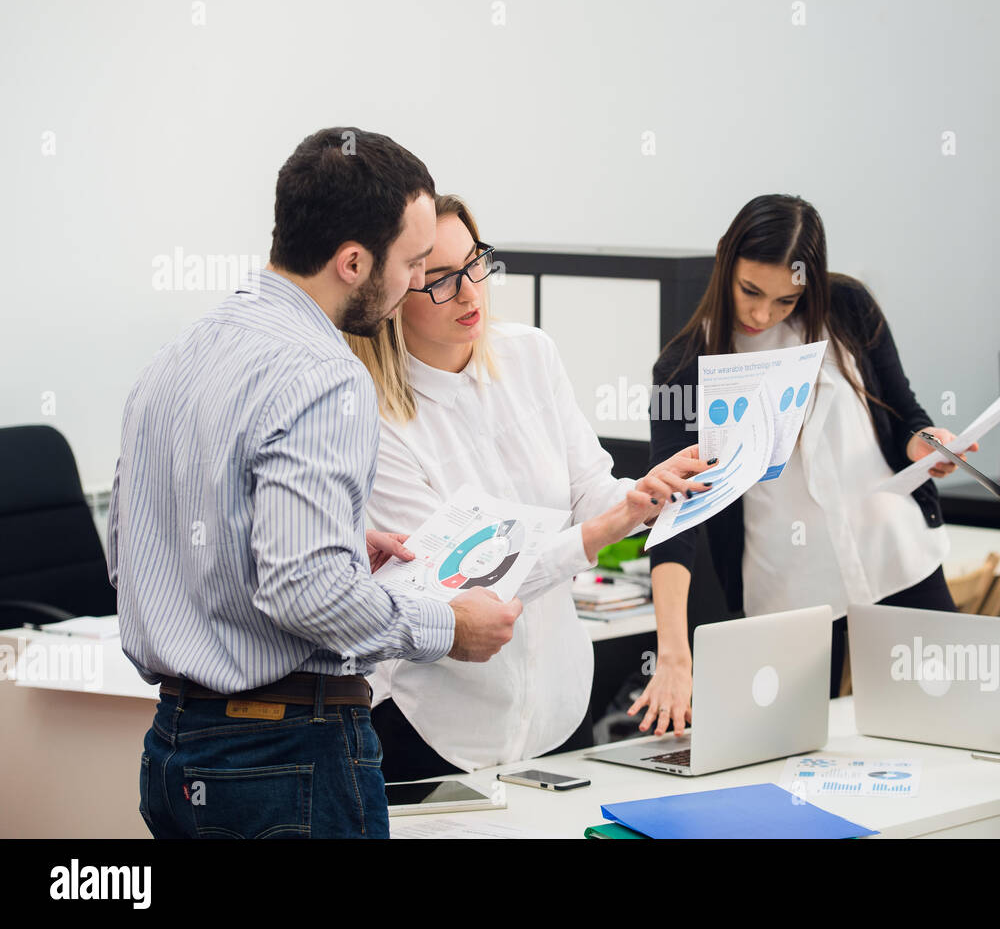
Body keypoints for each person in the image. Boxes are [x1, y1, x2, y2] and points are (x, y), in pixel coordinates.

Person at [108, 128, 522, 839]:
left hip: (176, 751)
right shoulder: (325, 375)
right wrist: (449, 626)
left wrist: (328, 536)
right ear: (354, 261)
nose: (416, 281)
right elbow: (305, 590)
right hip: (286, 759)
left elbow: (136, 552)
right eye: (414, 261)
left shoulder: (176, 358)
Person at [346, 193, 709, 779]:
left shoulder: (531, 354)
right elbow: (456, 584)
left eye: (475, 265)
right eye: (439, 280)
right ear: (392, 295)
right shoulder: (374, 417)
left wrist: (644, 495)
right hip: (438, 730)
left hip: (557, 710)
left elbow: (590, 486)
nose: (469, 292)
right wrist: (597, 534)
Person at [634, 194, 972, 736]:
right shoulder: (684, 370)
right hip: (788, 587)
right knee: (788, 753)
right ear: (725, 261)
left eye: (787, 300)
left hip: (894, 555)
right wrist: (673, 652)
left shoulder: (847, 308)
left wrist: (928, 445)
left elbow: (906, 415)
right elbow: (674, 515)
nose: (763, 313)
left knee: (950, 722)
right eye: (750, 291)